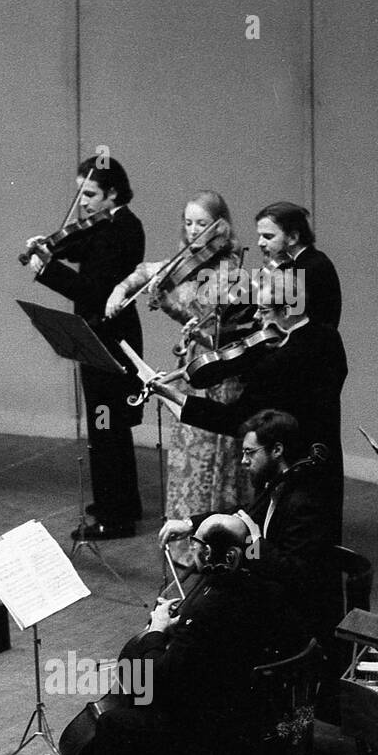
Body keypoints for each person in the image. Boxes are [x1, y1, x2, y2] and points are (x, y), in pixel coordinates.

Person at [76, 514, 305, 755]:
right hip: (265, 714)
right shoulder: (265, 588)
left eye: (197, 544)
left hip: (219, 730)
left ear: (221, 555)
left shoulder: (210, 605)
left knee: (115, 723)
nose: (192, 551)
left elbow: (164, 678)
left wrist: (156, 630)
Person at [159, 409, 344, 712]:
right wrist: (191, 525)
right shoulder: (275, 484)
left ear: (277, 450)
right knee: (202, 619)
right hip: (269, 596)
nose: (243, 462)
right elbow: (244, 514)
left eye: (249, 453)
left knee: (205, 628)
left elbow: (297, 573)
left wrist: (253, 545)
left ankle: (199, 714)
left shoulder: (305, 501)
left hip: (292, 615)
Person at [145, 274, 348, 539]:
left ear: (287, 310)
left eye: (263, 311)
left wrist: (174, 396)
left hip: (288, 467)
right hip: (326, 458)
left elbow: (235, 420)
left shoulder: (275, 364)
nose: (257, 320)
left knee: (278, 537)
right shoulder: (328, 337)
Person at [106, 191, 247, 518]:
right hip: (193, 366)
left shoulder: (229, 267)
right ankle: (184, 536)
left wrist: (168, 301)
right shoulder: (185, 262)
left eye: (202, 223)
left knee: (211, 452)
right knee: (188, 448)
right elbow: (143, 272)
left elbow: (210, 322)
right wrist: (118, 291)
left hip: (219, 367)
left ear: (219, 225)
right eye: (189, 223)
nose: (194, 230)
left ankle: (213, 534)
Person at [26, 156, 145, 540]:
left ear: (112, 193)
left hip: (109, 338)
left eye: (90, 194)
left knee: (106, 423)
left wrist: (46, 270)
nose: (82, 202)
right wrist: (49, 248)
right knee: (106, 424)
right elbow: (80, 245)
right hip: (99, 335)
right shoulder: (109, 223)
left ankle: (116, 517)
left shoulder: (121, 229)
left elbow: (93, 291)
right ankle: (120, 500)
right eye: (80, 193)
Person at [254, 202, 341, 328]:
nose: (260, 243)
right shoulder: (287, 264)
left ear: (293, 237)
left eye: (268, 237)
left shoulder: (313, 267)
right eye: (260, 236)